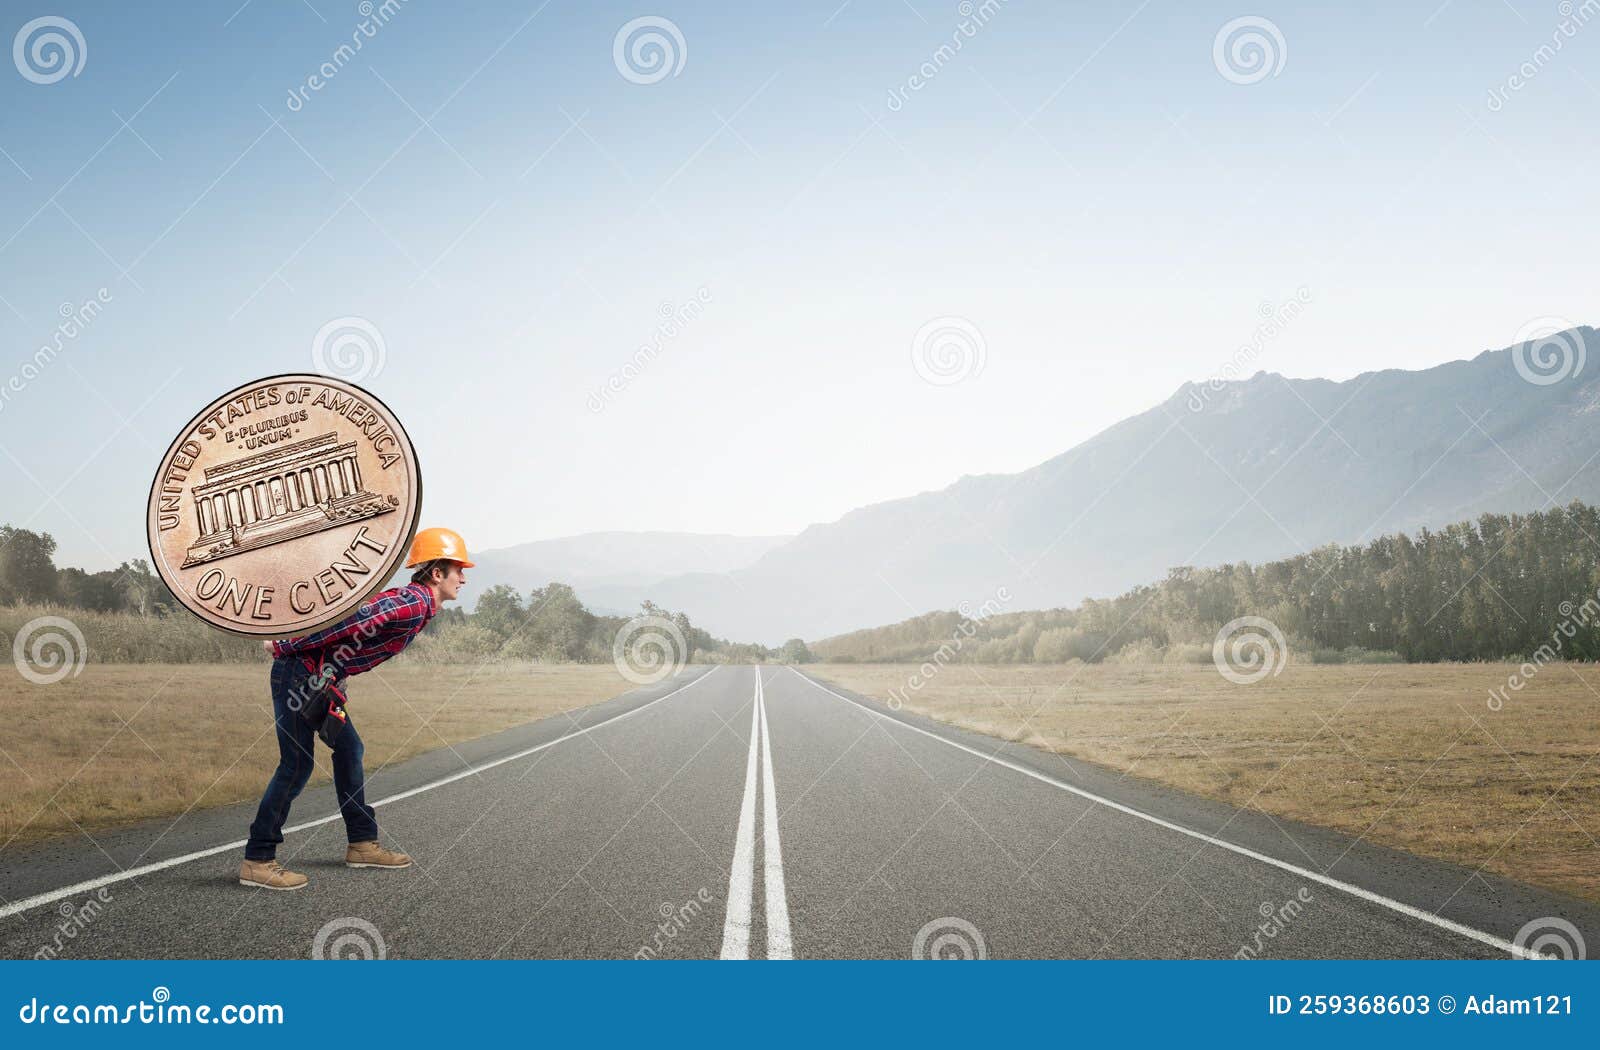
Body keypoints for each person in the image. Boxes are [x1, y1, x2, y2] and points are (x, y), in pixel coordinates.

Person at [238, 527, 473, 891]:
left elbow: (354, 632)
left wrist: (335, 679)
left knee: (350, 748)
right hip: (299, 673)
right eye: (459, 569)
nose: (464, 577)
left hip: (317, 679)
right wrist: (287, 644)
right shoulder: (412, 603)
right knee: (296, 765)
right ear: (437, 573)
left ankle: (362, 843)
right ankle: (258, 859)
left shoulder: (420, 606)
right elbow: (352, 621)